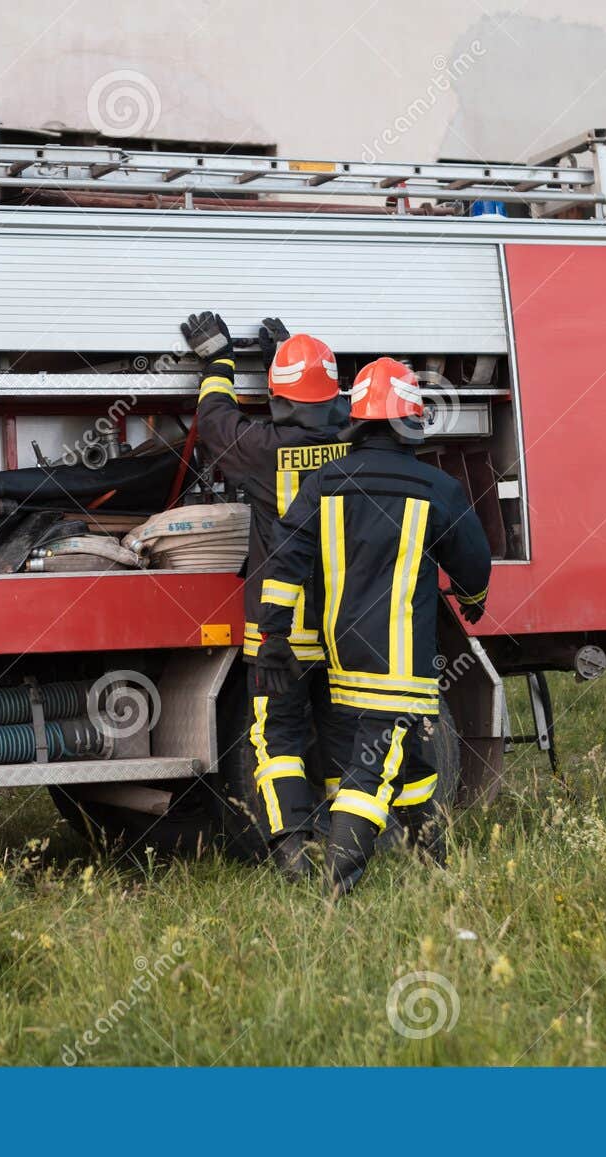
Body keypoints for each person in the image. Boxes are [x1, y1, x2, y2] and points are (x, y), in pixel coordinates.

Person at [256, 357, 491, 894]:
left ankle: (433, 859)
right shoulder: (437, 488)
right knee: (371, 771)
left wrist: (274, 634)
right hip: (401, 660)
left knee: (413, 760)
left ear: (358, 419)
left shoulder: (324, 483)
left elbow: (285, 560)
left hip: (344, 655)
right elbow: (473, 561)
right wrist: (473, 597)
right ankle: (336, 891)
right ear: (412, 420)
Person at [180, 311, 353, 879]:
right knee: (341, 737)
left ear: (278, 399)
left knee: (277, 739)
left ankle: (293, 851)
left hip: (279, 632)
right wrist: (282, 357)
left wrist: (219, 362)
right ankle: (348, 845)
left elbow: (215, 421)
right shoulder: (357, 445)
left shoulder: (262, 451)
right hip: (346, 628)